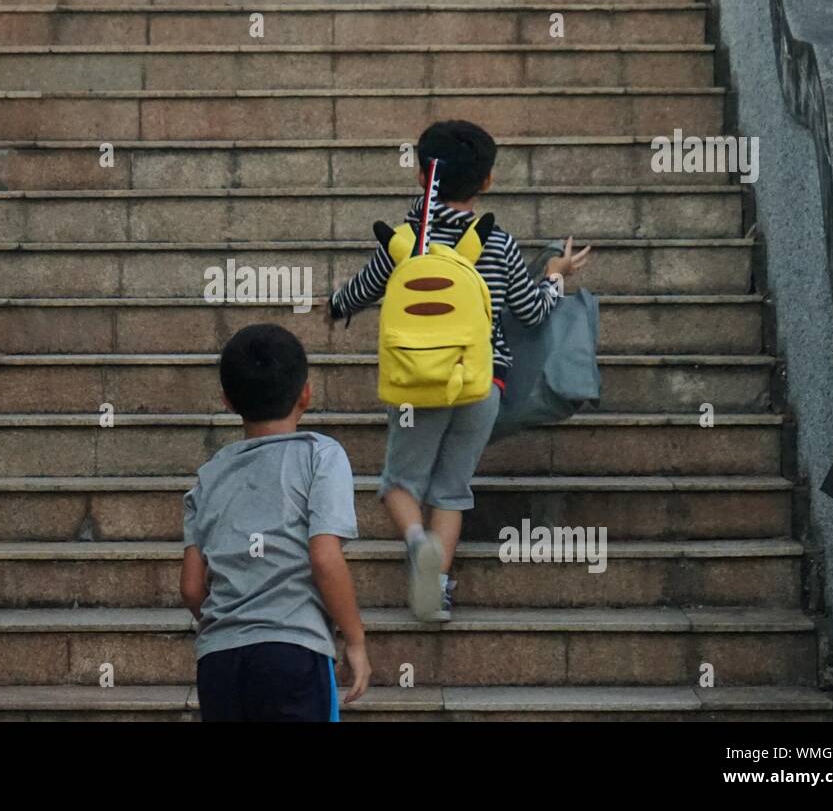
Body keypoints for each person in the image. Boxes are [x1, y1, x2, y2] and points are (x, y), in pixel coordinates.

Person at [328, 120, 591, 621]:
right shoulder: (499, 243)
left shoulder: (402, 241)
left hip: (412, 385)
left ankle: (415, 540)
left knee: (399, 483)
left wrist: (335, 306)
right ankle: (437, 591)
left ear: (420, 175)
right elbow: (533, 312)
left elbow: (360, 291)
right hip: (479, 382)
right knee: (451, 489)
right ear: (486, 181)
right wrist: (555, 277)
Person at [181, 323, 371, 721]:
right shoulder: (321, 456)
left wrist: (232, 622)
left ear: (228, 401)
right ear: (306, 392)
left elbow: (192, 587)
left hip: (219, 662)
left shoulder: (210, 475)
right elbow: (324, 558)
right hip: (294, 651)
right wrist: (354, 639)